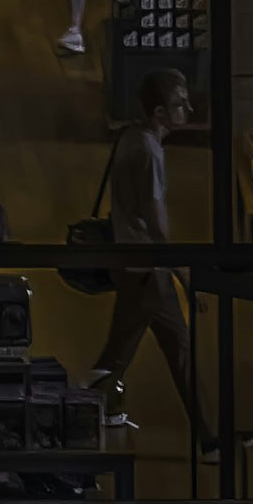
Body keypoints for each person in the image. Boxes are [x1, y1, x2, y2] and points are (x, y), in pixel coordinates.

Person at [82, 68, 195, 442]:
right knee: (171, 352)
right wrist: (183, 274)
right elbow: (157, 225)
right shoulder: (149, 150)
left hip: (131, 265)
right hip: (148, 270)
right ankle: (211, 437)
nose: (188, 109)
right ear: (160, 114)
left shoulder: (130, 138)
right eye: (180, 104)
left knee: (123, 356)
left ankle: (209, 437)